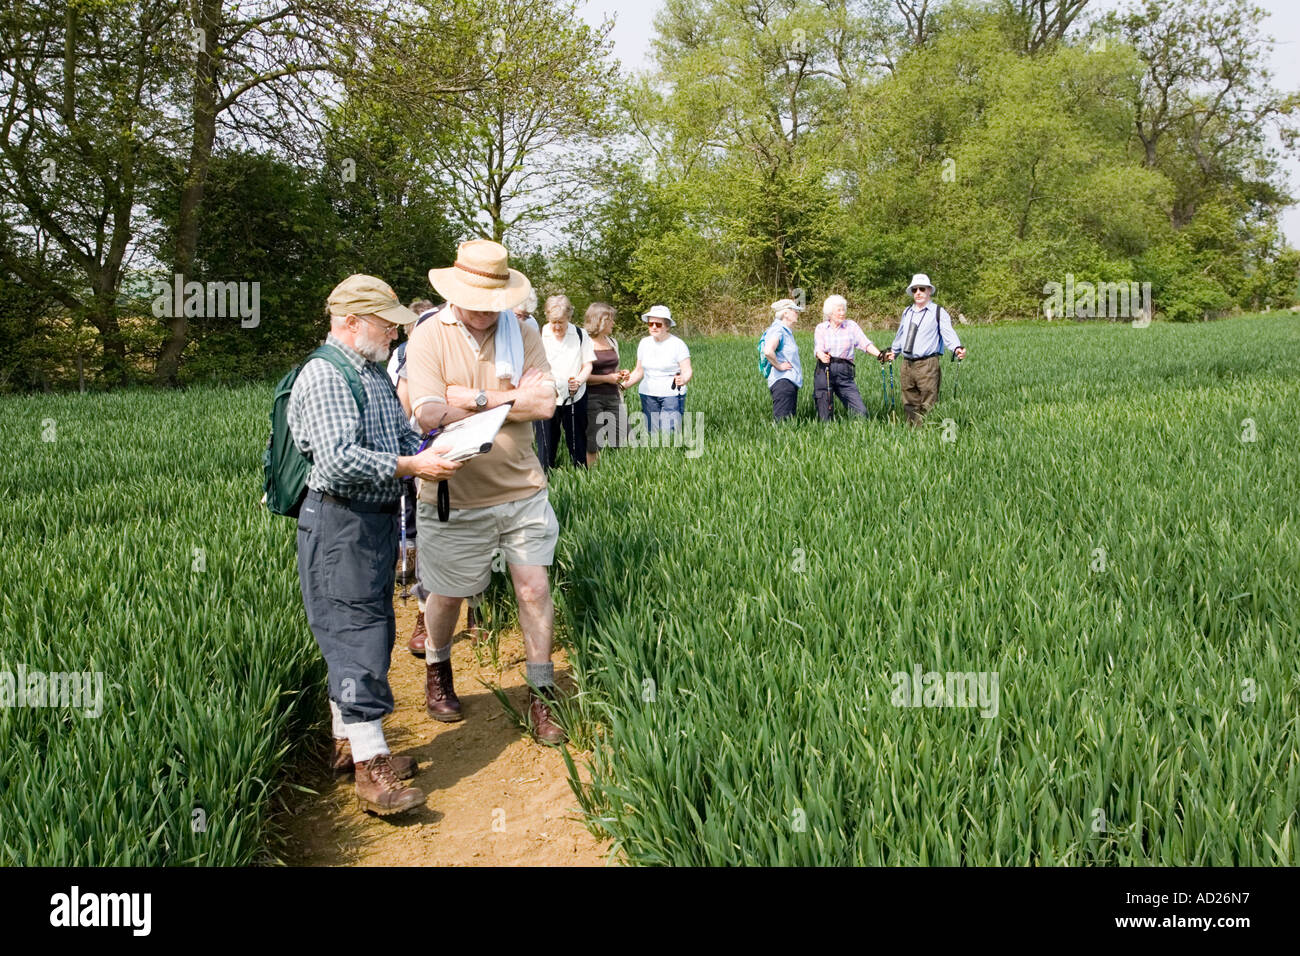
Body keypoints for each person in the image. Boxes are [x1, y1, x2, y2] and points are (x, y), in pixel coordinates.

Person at [288, 274, 462, 815]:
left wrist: (444, 444)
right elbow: (337, 460)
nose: (394, 331)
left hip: (371, 521)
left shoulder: (369, 372)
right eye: (385, 322)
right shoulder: (325, 376)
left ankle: (348, 743)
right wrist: (412, 466)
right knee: (356, 634)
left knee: (364, 627)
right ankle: (372, 767)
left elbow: (397, 437)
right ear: (350, 321)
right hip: (341, 524)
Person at [404, 239, 568, 744]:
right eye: (474, 300)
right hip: (455, 494)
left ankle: (541, 693)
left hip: (522, 488)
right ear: (456, 293)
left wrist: (473, 398)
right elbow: (429, 412)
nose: (483, 312)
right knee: (448, 594)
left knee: (534, 588)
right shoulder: (429, 335)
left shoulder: (522, 330)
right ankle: (438, 667)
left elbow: (546, 405)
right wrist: (510, 399)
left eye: (492, 301)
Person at [389, 298, 440, 657]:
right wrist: (408, 456)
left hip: (469, 455)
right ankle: (424, 614)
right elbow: (402, 409)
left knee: (475, 530)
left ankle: (476, 607)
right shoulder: (408, 356)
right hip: (424, 453)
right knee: (425, 525)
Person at [882, 274, 967, 425]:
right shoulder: (907, 312)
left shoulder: (938, 312)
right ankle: (913, 432)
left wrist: (957, 348)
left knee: (928, 400)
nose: (918, 292)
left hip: (927, 364)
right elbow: (901, 334)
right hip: (907, 363)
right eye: (915, 290)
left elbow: (948, 334)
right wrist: (893, 352)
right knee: (909, 400)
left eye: (922, 289)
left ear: (929, 291)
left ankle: (929, 431)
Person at [538, 294, 595, 471]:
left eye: (561, 322)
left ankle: (580, 477)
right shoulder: (540, 334)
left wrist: (578, 380)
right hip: (547, 396)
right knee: (546, 442)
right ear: (547, 317)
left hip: (575, 395)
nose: (556, 327)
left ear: (569, 317)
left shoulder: (580, 334)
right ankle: (546, 477)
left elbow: (588, 365)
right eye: (553, 322)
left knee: (577, 440)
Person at [812, 295, 885, 420]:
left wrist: (879, 355)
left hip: (844, 371)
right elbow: (818, 348)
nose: (842, 313)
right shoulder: (821, 328)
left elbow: (865, 343)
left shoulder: (851, 326)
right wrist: (820, 355)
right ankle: (826, 434)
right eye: (838, 310)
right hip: (825, 370)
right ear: (830, 313)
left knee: (861, 413)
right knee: (825, 414)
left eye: (843, 309)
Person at [624, 305, 692, 433]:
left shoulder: (678, 344)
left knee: (668, 433)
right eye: (651, 324)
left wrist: (683, 379)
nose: (654, 327)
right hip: (648, 393)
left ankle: (671, 452)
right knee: (652, 432)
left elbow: (687, 370)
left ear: (667, 326)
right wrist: (621, 386)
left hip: (671, 394)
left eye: (658, 324)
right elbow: (639, 371)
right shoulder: (644, 343)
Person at [583, 302, 628, 464]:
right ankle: (592, 477)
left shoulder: (612, 342)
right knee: (593, 442)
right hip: (592, 398)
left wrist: (621, 373)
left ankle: (619, 475)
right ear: (599, 321)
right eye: (610, 320)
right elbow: (581, 377)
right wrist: (606, 379)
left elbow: (613, 369)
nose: (613, 323)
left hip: (613, 397)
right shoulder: (584, 343)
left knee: (622, 438)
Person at [762, 298, 803, 422]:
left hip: (787, 383)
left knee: (788, 424)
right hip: (783, 383)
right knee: (782, 425)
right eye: (795, 310)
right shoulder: (778, 330)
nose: (797, 313)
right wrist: (779, 366)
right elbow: (768, 351)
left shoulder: (785, 331)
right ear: (785, 313)